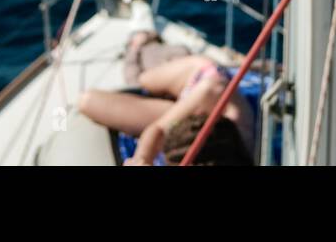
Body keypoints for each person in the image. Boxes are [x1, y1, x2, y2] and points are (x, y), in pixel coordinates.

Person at [77, 30, 255, 166]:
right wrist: (141, 159)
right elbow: (157, 129)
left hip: (197, 111)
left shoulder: (240, 149)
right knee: (143, 80)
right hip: (199, 76)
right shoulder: (212, 91)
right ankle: (142, 41)